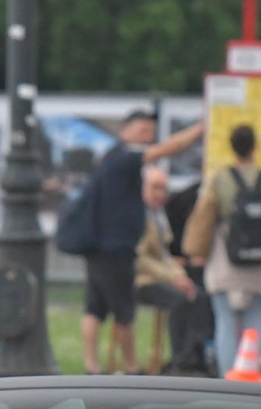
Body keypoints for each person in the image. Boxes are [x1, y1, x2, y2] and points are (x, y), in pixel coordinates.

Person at [82, 109, 207, 372]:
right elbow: (167, 149)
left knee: (95, 308)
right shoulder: (124, 157)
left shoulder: (111, 160)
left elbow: (161, 253)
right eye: (142, 132)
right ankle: (131, 368)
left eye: (150, 133)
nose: (147, 139)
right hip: (117, 250)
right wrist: (199, 129)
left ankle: (92, 368)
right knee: (122, 312)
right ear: (125, 130)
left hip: (101, 246)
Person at [180, 122, 261, 377]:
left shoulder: (220, 179)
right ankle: (252, 373)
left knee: (224, 319)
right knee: (254, 320)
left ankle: (228, 378)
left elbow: (204, 217)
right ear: (254, 146)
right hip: (260, 256)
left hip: (226, 254)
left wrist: (195, 251)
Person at [132, 164, 206, 373]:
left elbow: (165, 255)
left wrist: (182, 277)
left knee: (197, 296)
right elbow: (140, 258)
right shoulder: (137, 216)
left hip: (161, 275)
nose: (159, 194)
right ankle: (178, 359)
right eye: (154, 187)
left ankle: (192, 357)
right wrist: (173, 279)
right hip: (142, 280)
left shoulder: (159, 215)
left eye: (163, 188)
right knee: (179, 301)